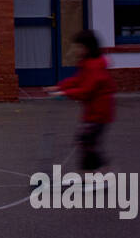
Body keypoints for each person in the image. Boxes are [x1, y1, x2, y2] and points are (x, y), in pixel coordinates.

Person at [45, 29, 116, 171]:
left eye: (79, 47)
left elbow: (86, 90)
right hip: (92, 112)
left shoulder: (95, 67)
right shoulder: (88, 63)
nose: (76, 50)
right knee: (85, 142)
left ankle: (104, 170)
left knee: (87, 142)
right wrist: (59, 86)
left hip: (99, 113)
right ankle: (94, 172)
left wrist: (64, 93)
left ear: (88, 48)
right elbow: (78, 80)